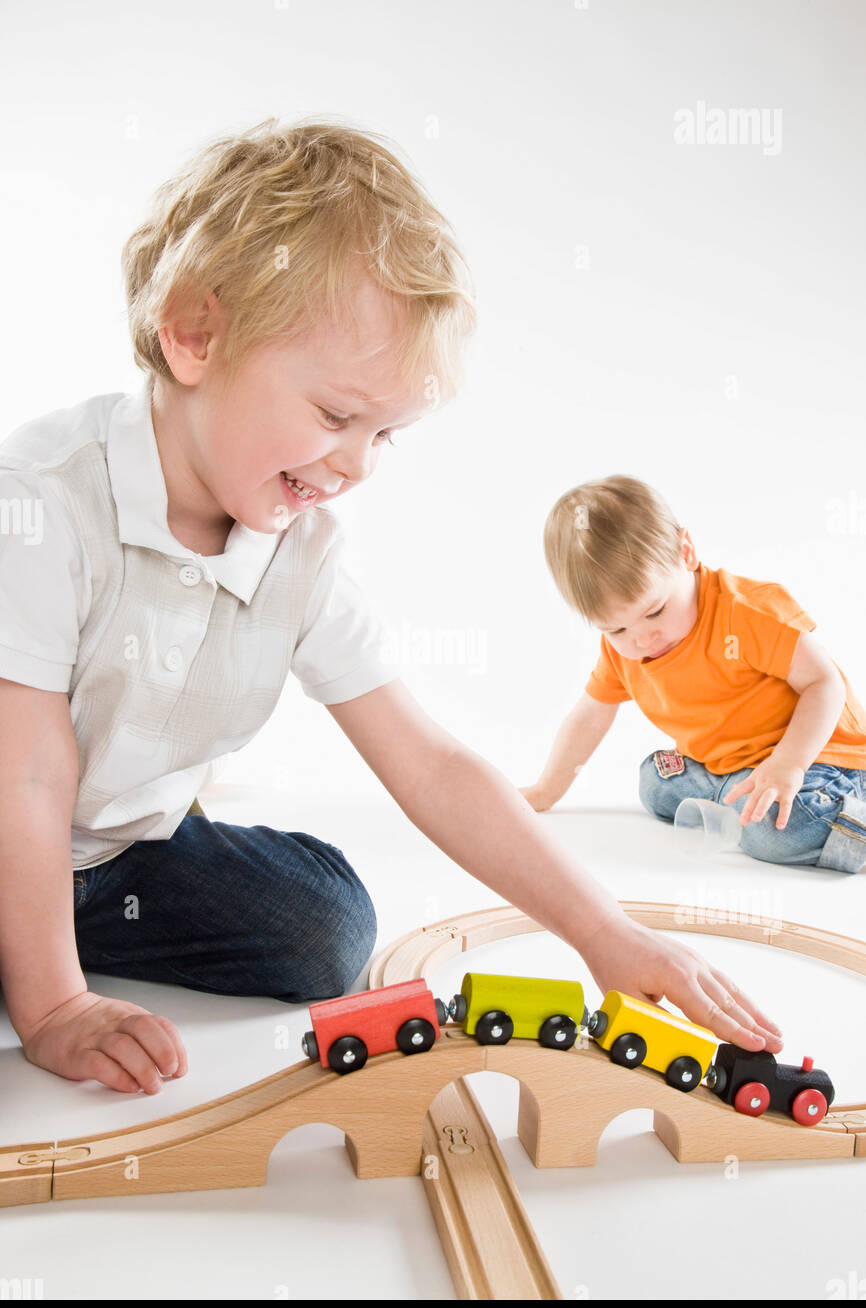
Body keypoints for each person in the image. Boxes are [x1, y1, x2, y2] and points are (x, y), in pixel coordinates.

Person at [0, 120, 782, 1099]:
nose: (356, 464)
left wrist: (605, 931)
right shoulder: (41, 501)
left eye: (386, 435)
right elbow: (26, 775)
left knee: (323, 928)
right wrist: (55, 1009)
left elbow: (432, 762)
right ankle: (32, 957)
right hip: (8, 824)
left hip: (120, 855)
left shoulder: (302, 554)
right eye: (335, 417)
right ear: (194, 334)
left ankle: (45, 939)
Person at [521, 474, 866, 875]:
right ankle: (734, 799)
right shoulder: (624, 651)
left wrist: (789, 763)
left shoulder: (745, 612)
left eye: (655, 611)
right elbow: (590, 715)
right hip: (729, 765)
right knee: (654, 783)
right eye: (616, 629)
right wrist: (546, 790)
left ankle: (839, 814)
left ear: (686, 553)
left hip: (820, 760)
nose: (643, 639)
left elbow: (825, 684)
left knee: (775, 831)